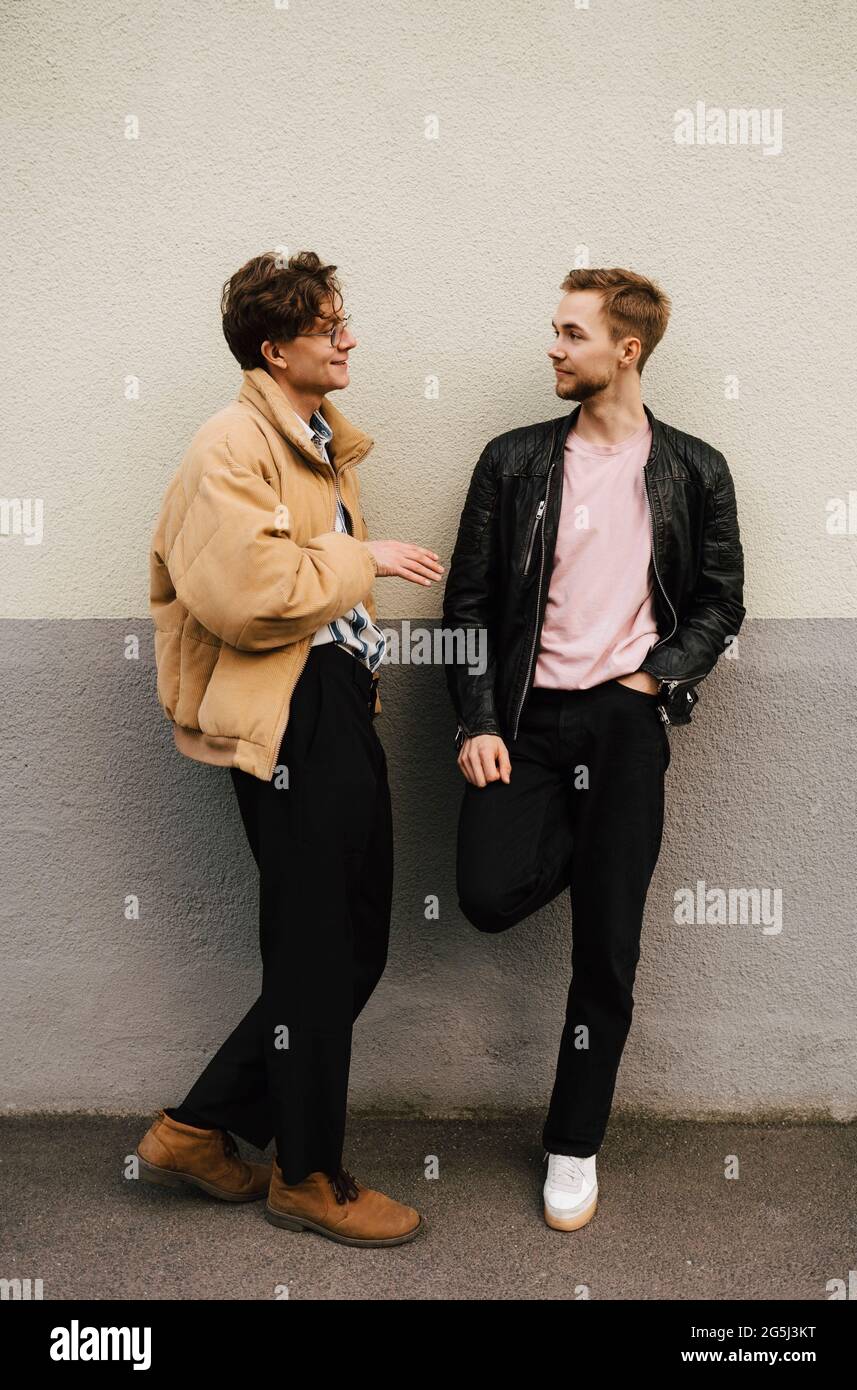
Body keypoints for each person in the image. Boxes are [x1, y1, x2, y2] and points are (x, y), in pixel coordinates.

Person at [139, 249, 444, 1246]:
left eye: (343, 319)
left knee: (349, 944)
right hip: (293, 711)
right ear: (274, 347)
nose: (348, 336)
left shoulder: (315, 444)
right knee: (320, 947)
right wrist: (363, 557)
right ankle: (307, 1175)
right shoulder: (231, 442)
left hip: (333, 705)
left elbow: (298, 572)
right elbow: (241, 590)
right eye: (327, 324)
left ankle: (197, 1128)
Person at [442, 267, 746, 1231]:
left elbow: (719, 601)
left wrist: (652, 680)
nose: (554, 348)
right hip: (526, 720)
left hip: (624, 719)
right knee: (488, 893)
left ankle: (573, 1145)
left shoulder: (695, 468)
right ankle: (609, 848)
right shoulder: (515, 462)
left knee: (607, 945)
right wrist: (479, 720)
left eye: (571, 333)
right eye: (556, 331)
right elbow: (469, 607)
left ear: (627, 349)